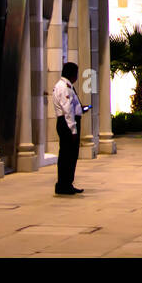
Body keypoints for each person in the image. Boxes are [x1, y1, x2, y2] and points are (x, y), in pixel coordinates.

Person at [52, 62, 84, 196]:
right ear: (72, 74)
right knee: (68, 155)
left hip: (65, 122)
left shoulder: (63, 86)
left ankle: (66, 183)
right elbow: (68, 110)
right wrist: (73, 130)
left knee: (67, 155)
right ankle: (64, 185)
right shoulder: (65, 87)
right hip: (67, 123)